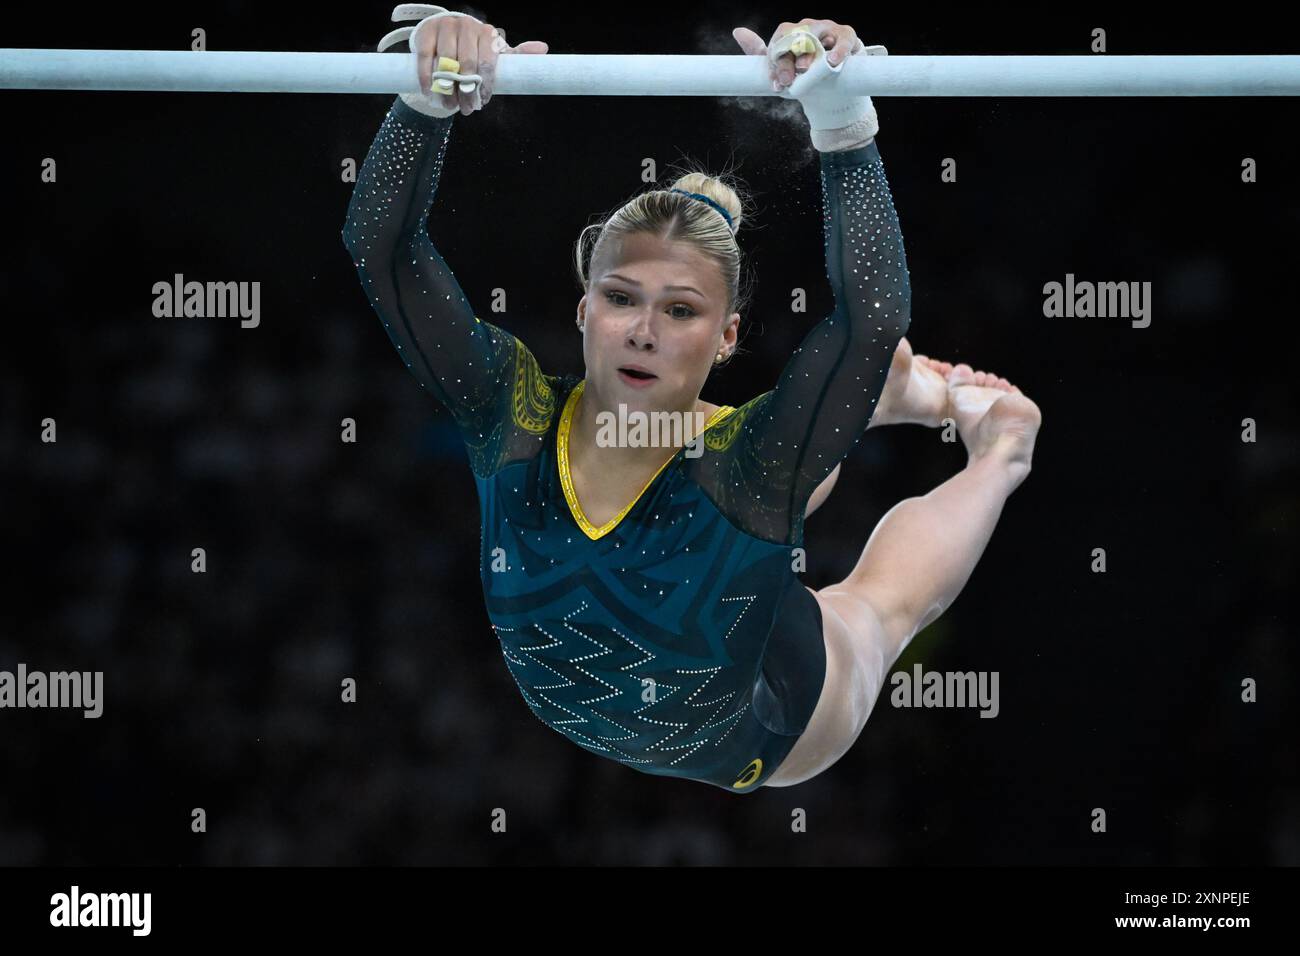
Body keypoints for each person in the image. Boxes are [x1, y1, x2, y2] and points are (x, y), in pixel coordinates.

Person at [342, 8, 1042, 793]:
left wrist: (843, 124)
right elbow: (382, 246)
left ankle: (1000, 447)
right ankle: (872, 400)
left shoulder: (745, 465)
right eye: (620, 299)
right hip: (735, 495)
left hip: (767, 716)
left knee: (877, 615)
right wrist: (429, 104)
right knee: (780, 456)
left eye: (680, 311)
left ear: (728, 337)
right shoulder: (512, 415)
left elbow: (870, 318)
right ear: (584, 310)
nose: (643, 330)